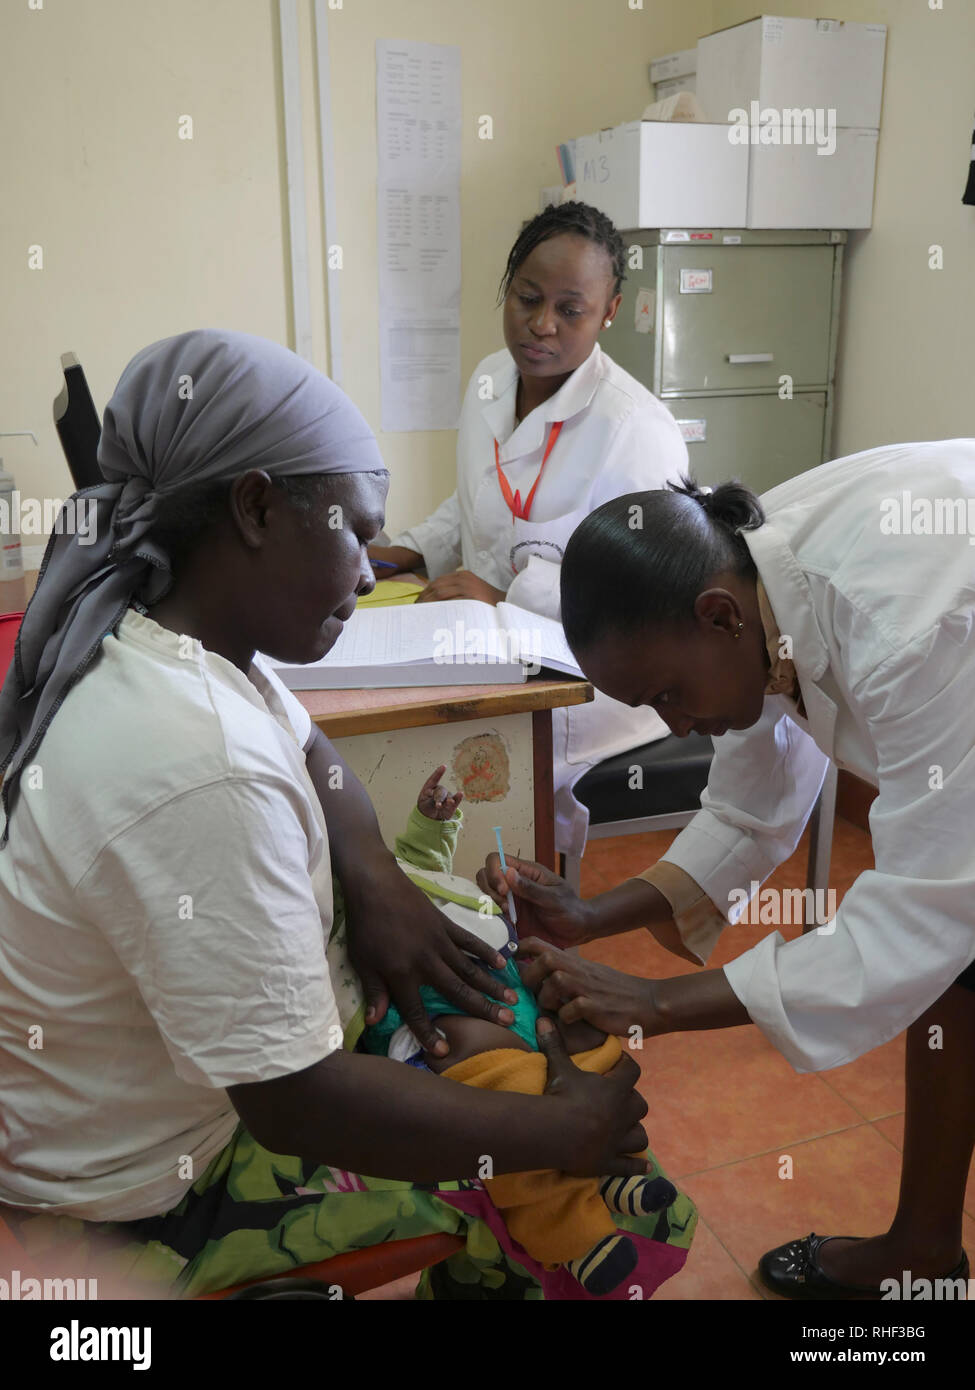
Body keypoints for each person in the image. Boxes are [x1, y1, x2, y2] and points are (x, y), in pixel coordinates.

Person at [0, 328, 695, 1301]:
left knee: (514, 1063)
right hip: (150, 1192)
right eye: (353, 530)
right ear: (254, 506)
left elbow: (312, 753)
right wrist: (559, 1131)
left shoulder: (169, 639)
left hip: (124, 1113)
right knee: (600, 1191)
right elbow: (295, 1105)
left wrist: (374, 879)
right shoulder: (196, 754)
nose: (372, 571)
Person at [478, 442, 975, 1300]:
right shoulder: (744, 582)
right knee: (953, 980)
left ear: (716, 617)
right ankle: (925, 1250)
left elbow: (926, 912)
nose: (679, 722)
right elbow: (753, 795)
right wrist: (594, 914)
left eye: (669, 693)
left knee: (944, 946)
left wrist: (659, 1005)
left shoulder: (909, 622)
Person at [368, 202, 689, 857]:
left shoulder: (634, 430)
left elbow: (642, 597)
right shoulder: (490, 379)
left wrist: (503, 595)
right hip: (486, 637)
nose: (541, 325)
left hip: (589, 668)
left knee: (469, 767)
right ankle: (446, 903)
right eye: (527, 298)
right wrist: (399, 550)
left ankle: (525, 927)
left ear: (609, 312)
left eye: (570, 309)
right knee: (383, 721)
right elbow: (476, 507)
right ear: (506, 287)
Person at [344, 763, 679, 1297]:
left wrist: (430, 827)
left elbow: (421, 864)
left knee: (589, 1040)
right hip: (434, 1007)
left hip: (501, 977)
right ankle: (572, 1232)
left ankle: (607, 1175)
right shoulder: (327, 905)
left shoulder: (383, 866)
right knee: (518, 1099)